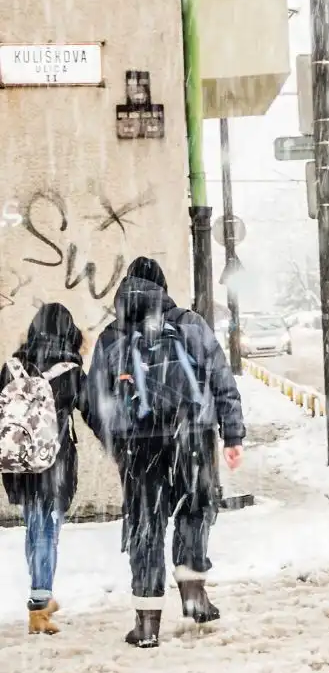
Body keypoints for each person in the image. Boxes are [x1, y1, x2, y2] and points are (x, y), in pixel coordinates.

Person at [86, 257, 244, 649]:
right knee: (194, 513)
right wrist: (233, 433)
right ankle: (193, 598)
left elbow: (93, 401)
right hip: (192, 437)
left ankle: (147, 623)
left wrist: (117, 443)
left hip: (139, 447)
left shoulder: (111, 336)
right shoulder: (190, 325)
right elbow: (222, 380)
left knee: (145, 527)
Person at [0, 304, 96, 634]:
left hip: (19, 465)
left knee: (34, 526)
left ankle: (41, 593)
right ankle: (39, 604)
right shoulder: (69, 369)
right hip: (55, 463)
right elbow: (94, 413)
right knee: (47, 530)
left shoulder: (11, 367)